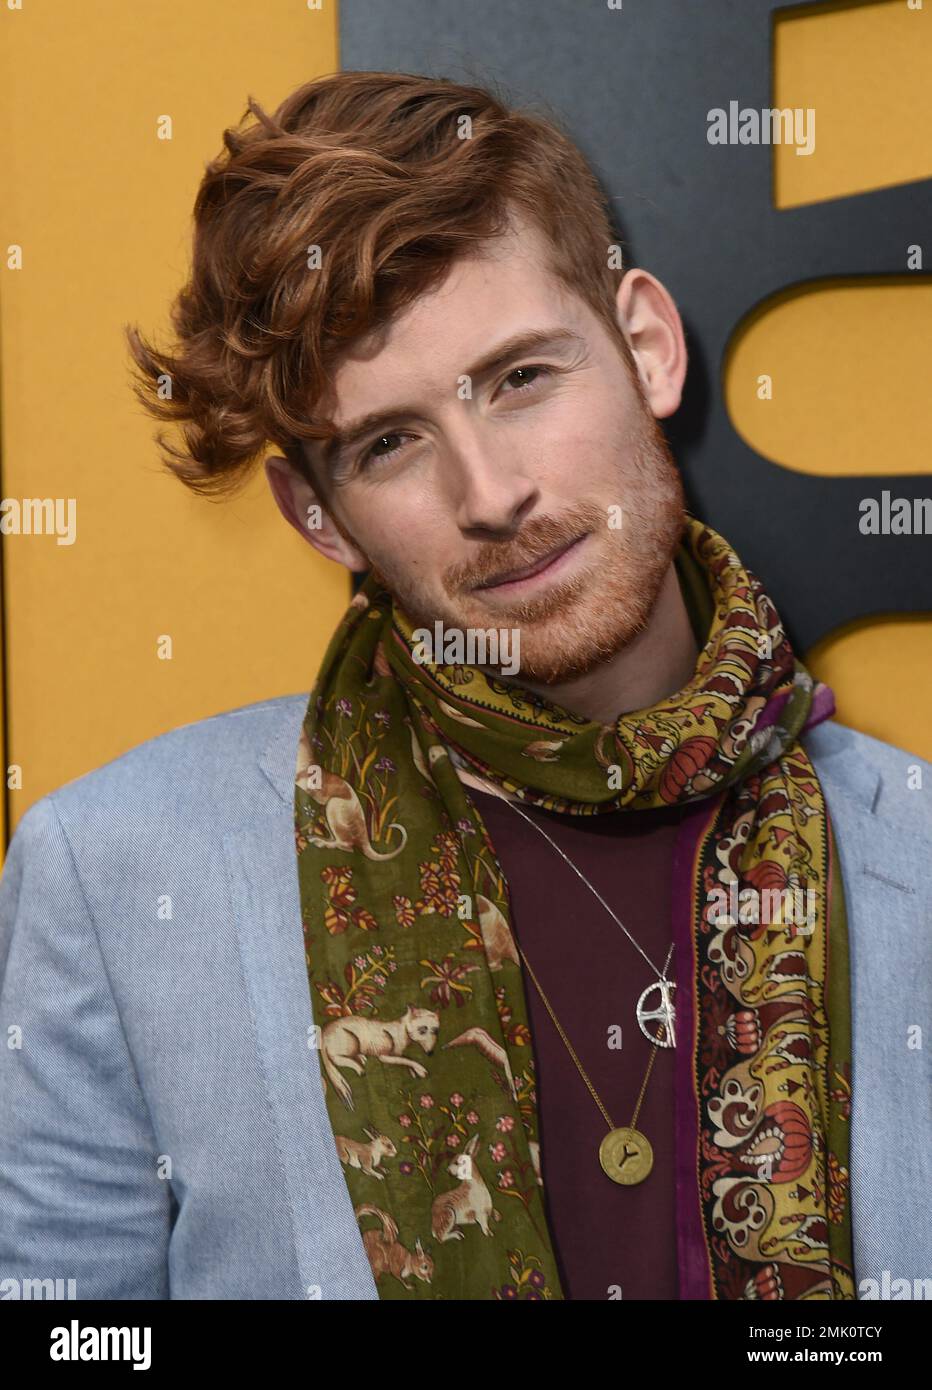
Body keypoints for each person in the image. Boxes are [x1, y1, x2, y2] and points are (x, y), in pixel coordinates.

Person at [1, 71, 929, 1303]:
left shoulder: (912, 851)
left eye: (521, 378)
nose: (490, 493)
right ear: (319, 518)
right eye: (387, 443)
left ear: (644, 347)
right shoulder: (117, 873)